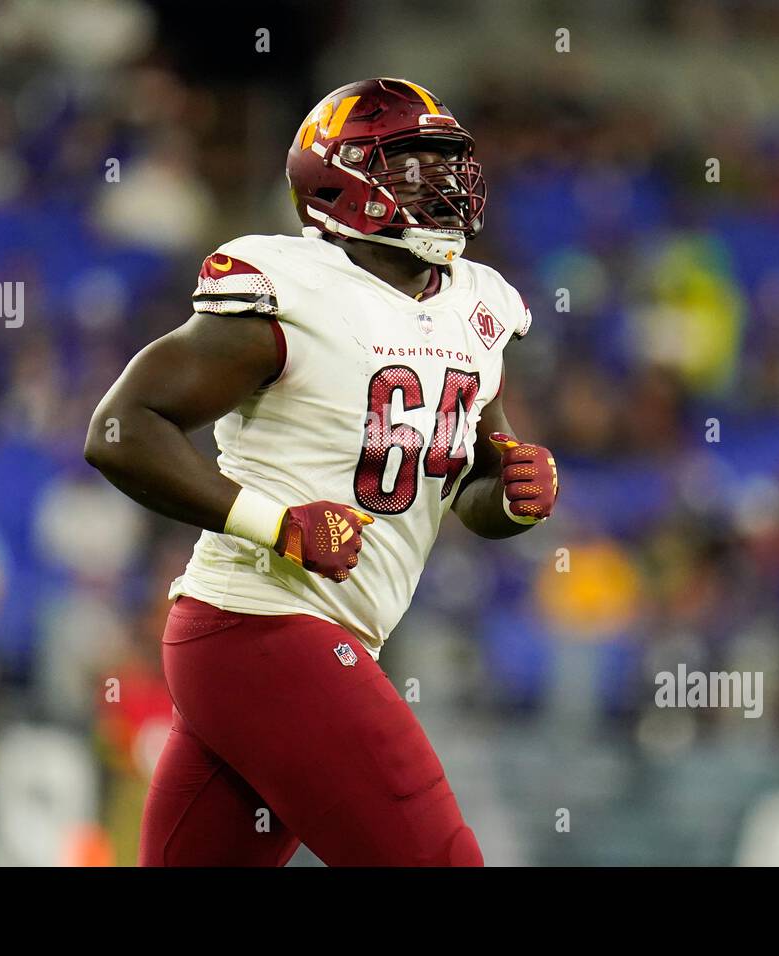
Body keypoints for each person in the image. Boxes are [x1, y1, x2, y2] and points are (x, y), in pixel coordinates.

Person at [85, 78, 558, 866]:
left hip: (276, 647)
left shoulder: (480, 306)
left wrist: (510, 498)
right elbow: (118, 429)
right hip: (263, 627)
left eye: (446, 163)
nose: (441, 182)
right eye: (411, 164)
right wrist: (274, 522)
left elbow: (467, 483)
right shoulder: (293, 291)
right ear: (342, 181)